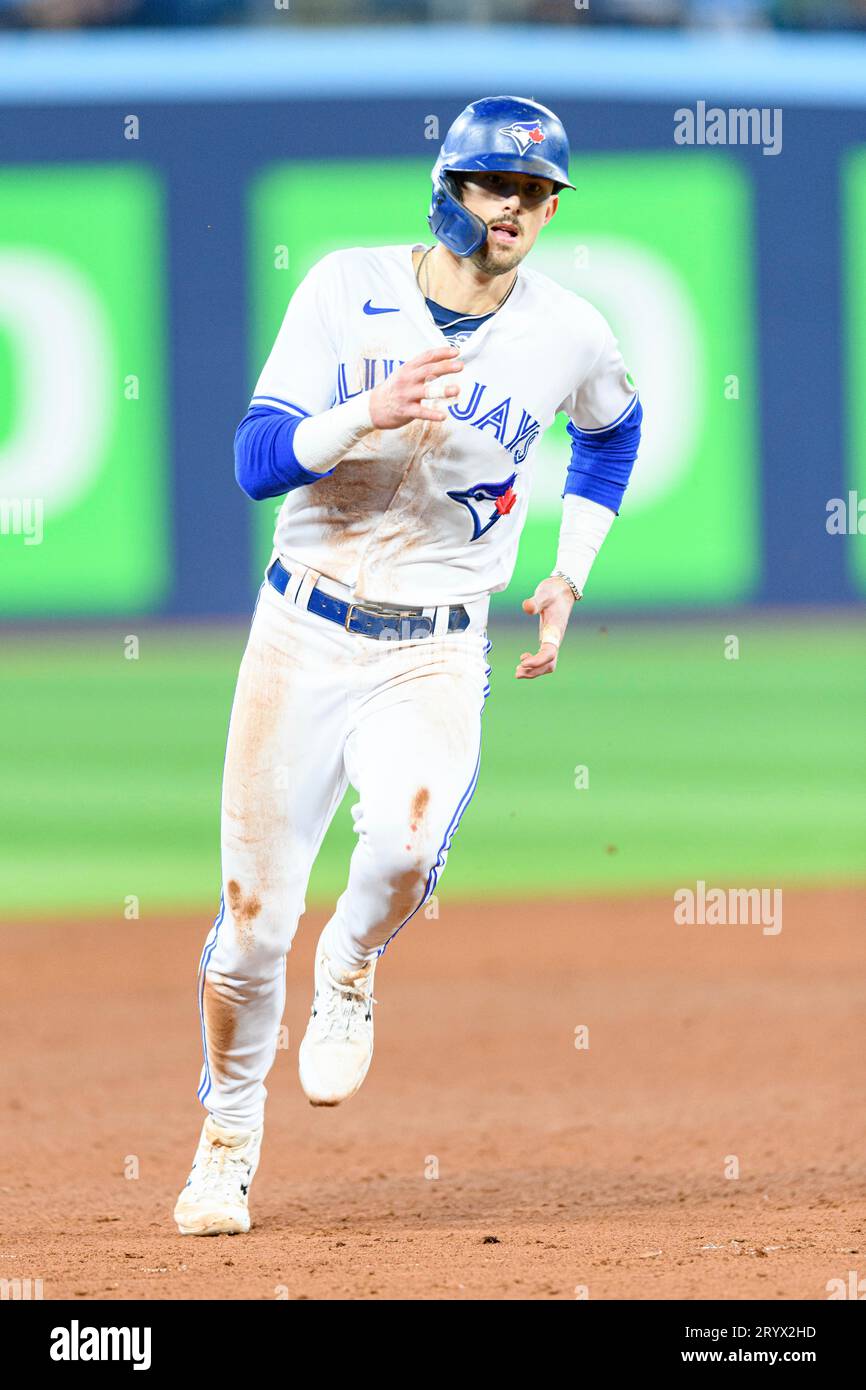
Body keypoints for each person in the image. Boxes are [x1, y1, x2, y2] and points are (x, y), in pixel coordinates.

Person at [174, 94, 642, 1236]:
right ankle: (226, 1142)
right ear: (448, 189)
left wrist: (569, 568)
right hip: (300, 630)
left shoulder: (566, 331)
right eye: (498, 185)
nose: (519, 209)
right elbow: (252, 460)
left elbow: (612, 429)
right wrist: (364, 411)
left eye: (537, 193)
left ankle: (352, 967)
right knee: (247, 932)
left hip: (434, 645)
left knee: (404, 845)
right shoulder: (345, 286)